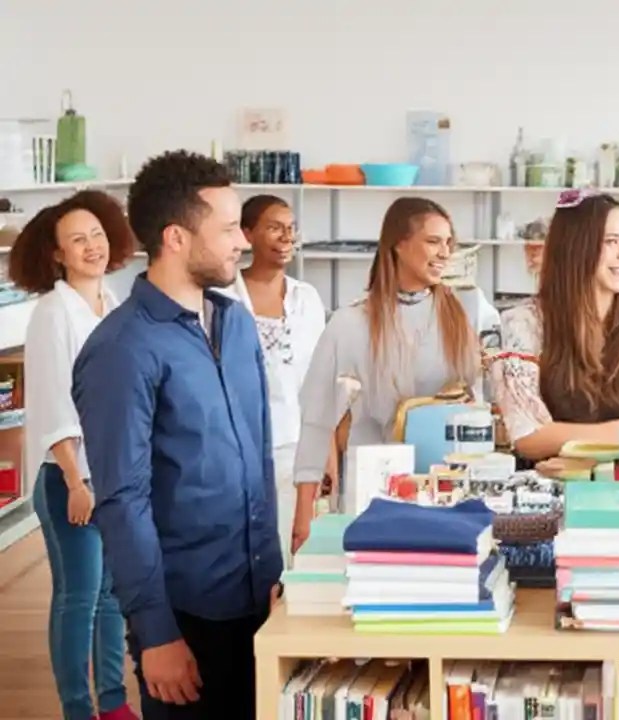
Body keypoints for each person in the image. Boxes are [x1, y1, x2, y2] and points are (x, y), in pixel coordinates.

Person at [72, 150, 280, 718]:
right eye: (230, 228)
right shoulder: (122, 349)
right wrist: (156, 632)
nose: (244, 240)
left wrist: (276, 574)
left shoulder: (235, 323)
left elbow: (258, 456)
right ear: (177, 238)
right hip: (186, 614)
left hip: (261, 598)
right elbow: (122, 500)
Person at [290, 197, 497, 551]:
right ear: (398, 245)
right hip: (374, 499)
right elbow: (316, 420)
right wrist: (302, 521)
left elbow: (493, 394)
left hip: (451, 497)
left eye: (449, 242)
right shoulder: (350, 323)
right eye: (433, 241)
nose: (445, 252)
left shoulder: (469, 312)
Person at [8, 191, 138, 720]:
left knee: (111, 596)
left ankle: (113, 702)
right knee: (78, 598)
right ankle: (77, 709)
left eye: (99, 235)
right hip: (69, 478)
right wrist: (77, 479)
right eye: (78, 240)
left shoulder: (115, 302)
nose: (93, 247)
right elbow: (53, 398)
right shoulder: (52, 312)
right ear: (57, 254)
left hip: (114, 473)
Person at [491, 189, 619, 462]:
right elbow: (529, 436)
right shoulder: (524, 325)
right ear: (576, 247)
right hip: (554, 493)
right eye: (611, 241)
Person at [218, 195, 329, 565]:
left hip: (299, 446)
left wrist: (328, 451)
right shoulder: (220, 298)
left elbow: (321, 382)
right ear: (247, 234)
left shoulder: (306, 298)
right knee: (243, 557)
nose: (286, 237)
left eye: (291, 228)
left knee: (296, 552)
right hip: (239, 449)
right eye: (274, 227)